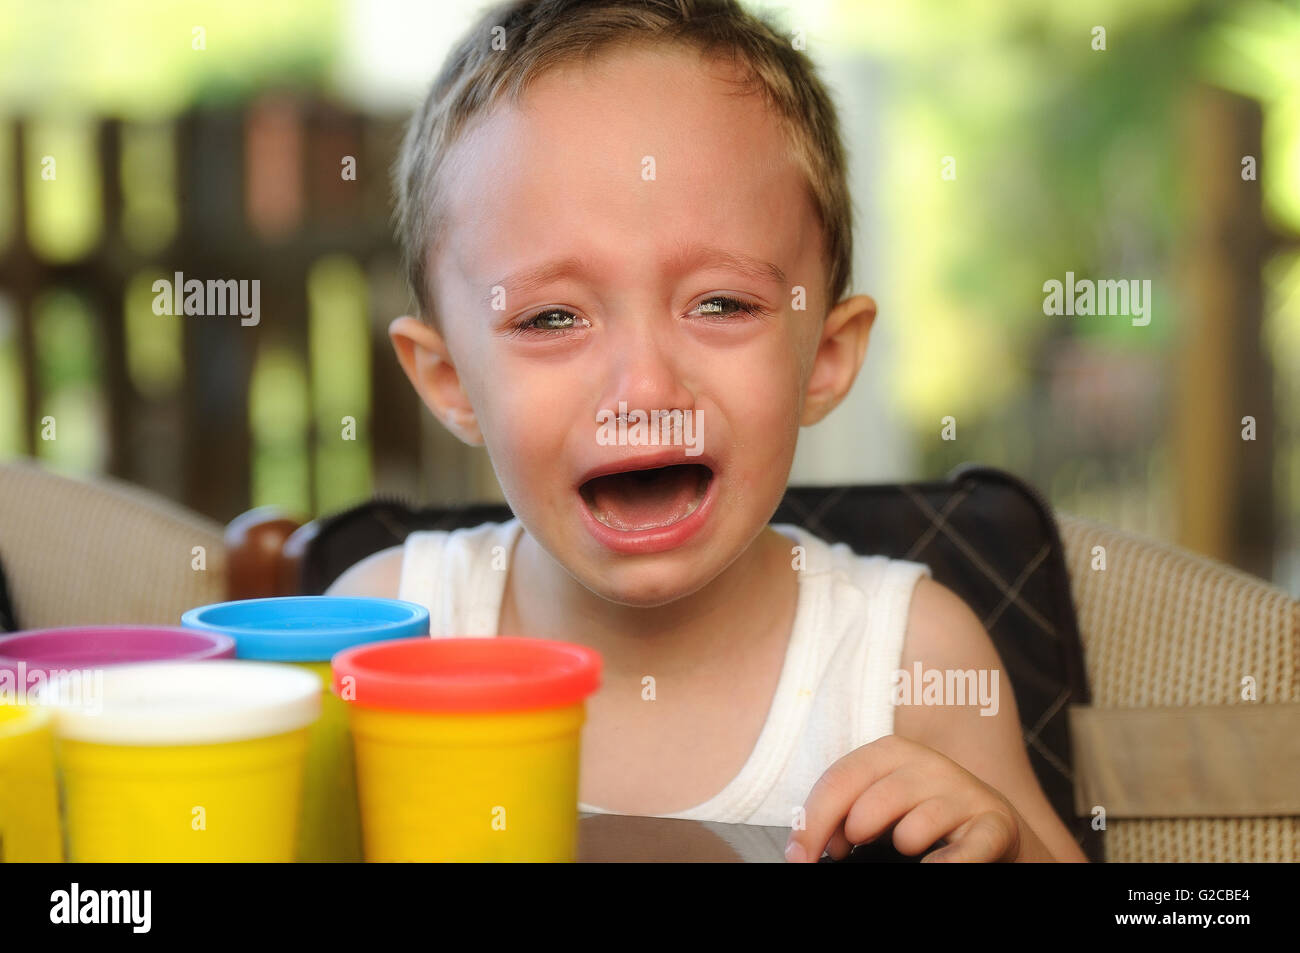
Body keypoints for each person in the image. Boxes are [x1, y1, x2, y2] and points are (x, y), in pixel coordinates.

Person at [329, 0, 1087, 862]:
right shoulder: (388, 635)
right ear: (450, 380)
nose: (646, 386)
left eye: (721, 304)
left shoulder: (909, 656)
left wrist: (1006, 846)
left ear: (828, 356)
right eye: (549, 318)